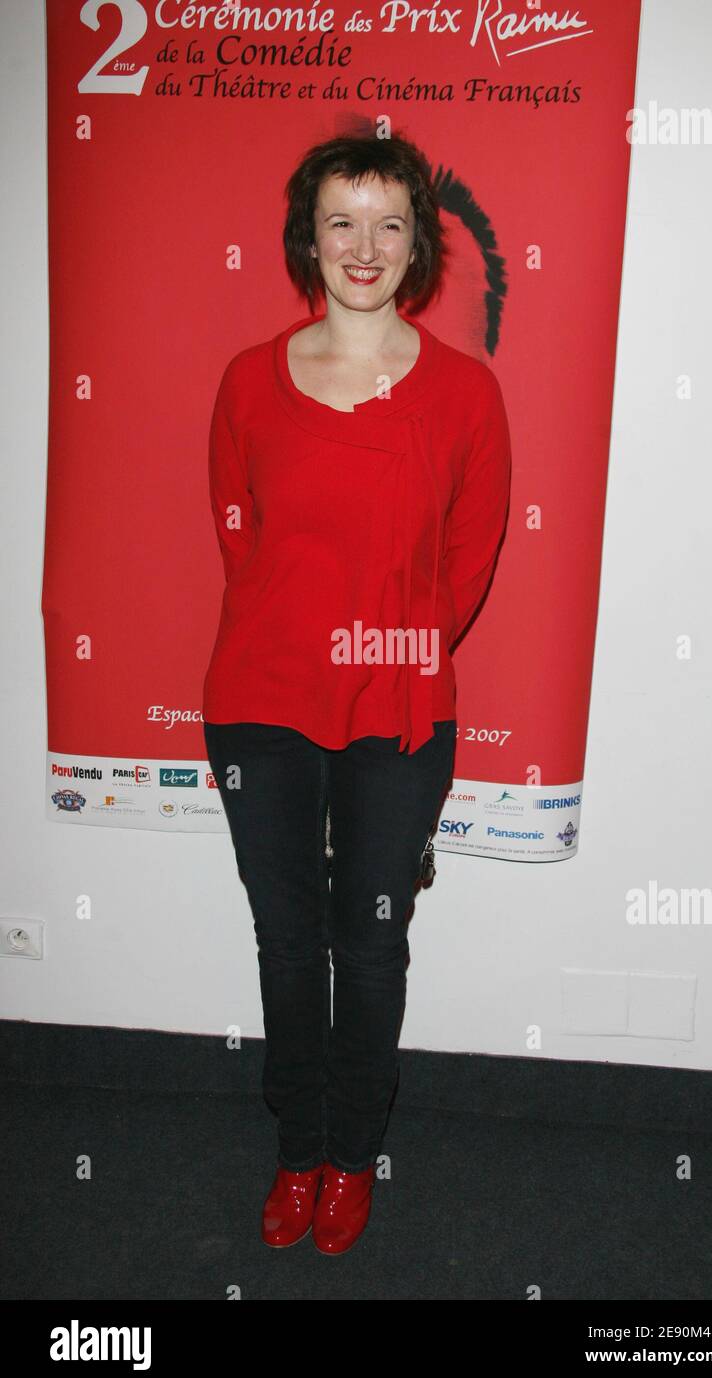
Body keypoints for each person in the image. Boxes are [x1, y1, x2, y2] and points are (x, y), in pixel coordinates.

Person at [201, 131, 512, 1256]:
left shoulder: (466, 395)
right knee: (286, 941)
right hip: (260, 705)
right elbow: (242, 539)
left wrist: (377, 646)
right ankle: (293, 1155)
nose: (364, 245)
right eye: (342, 220)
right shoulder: (247, 380)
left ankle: (350, 1154)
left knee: (370, 945)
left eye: (388, 222)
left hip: (396, 712)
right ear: (310, 238)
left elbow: (465, 569)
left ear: (416, 241)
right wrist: (296, 639)